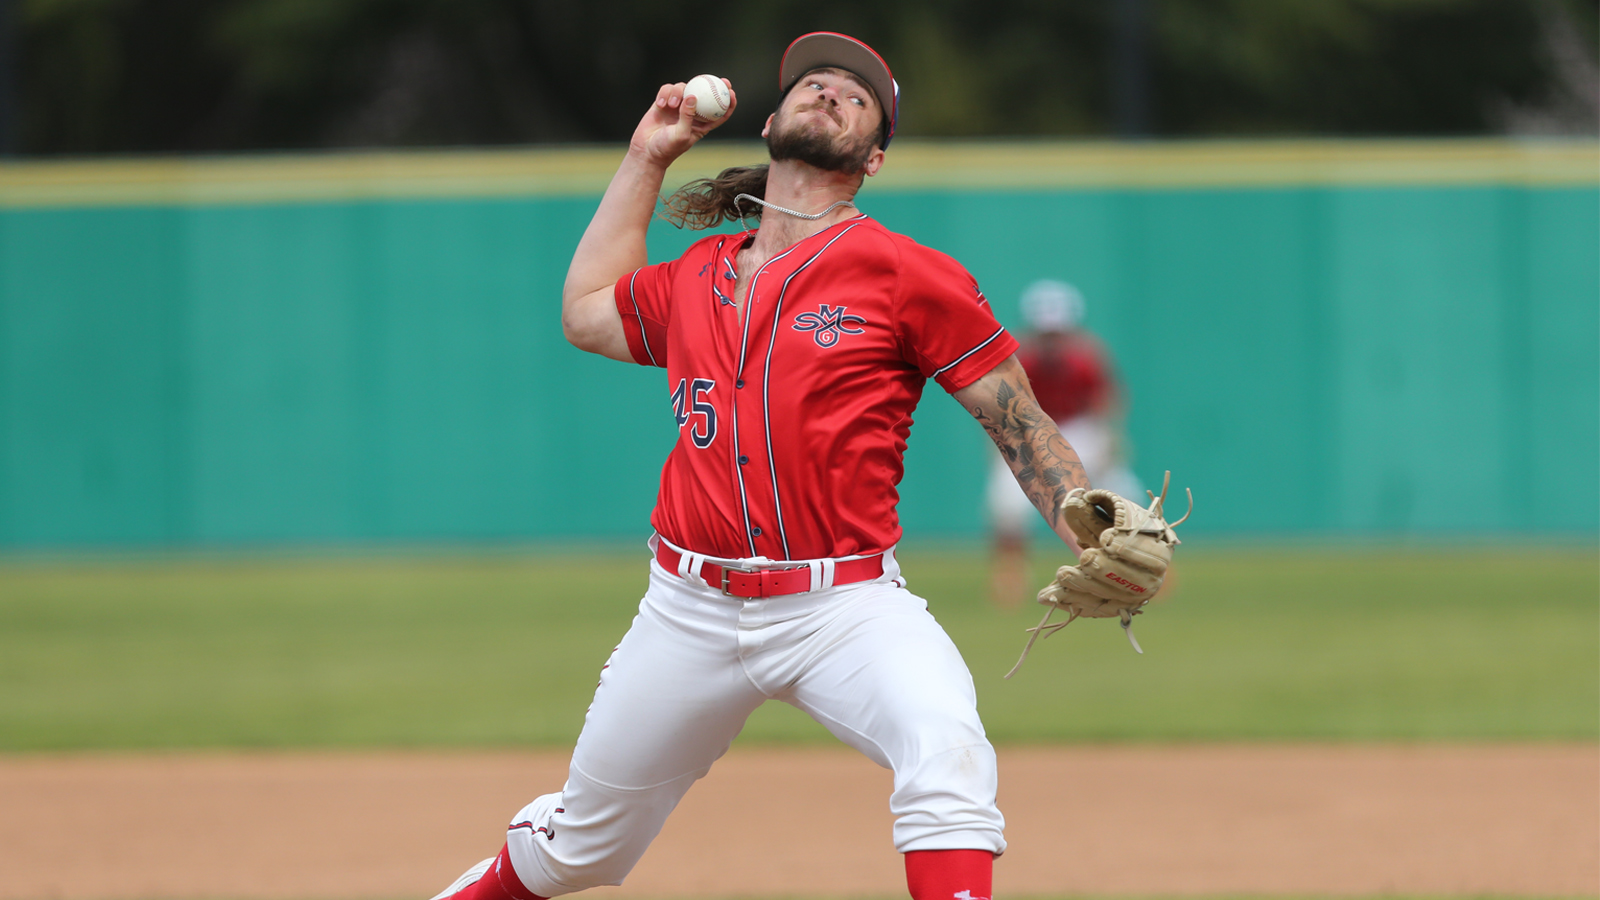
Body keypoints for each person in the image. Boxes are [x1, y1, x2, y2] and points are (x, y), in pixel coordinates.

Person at [429, 33, 1092, 900]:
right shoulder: (698, 274)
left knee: (948, 756)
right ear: (773, 120)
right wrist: (645, 157)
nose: (831, 93)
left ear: (876, 156)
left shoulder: (908, 275)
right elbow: (587, 312)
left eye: (857, 98)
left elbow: (1021, 422)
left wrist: (1086, 516)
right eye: (814, 84)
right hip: (687, 612)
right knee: (579, 852)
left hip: (844, 607)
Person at [985, 280, 1142, 608]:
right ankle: (1010, 575)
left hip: (1079, 427)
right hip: (1029, 430)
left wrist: (1112, 439)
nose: (1052, 341)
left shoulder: (1086, 356)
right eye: (1046, 333)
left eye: (1057, 332)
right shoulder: (1019, 358)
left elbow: (1106, 399)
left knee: (1124, 491)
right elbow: (1000, 408)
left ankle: (1143, 564)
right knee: (1006, 502)